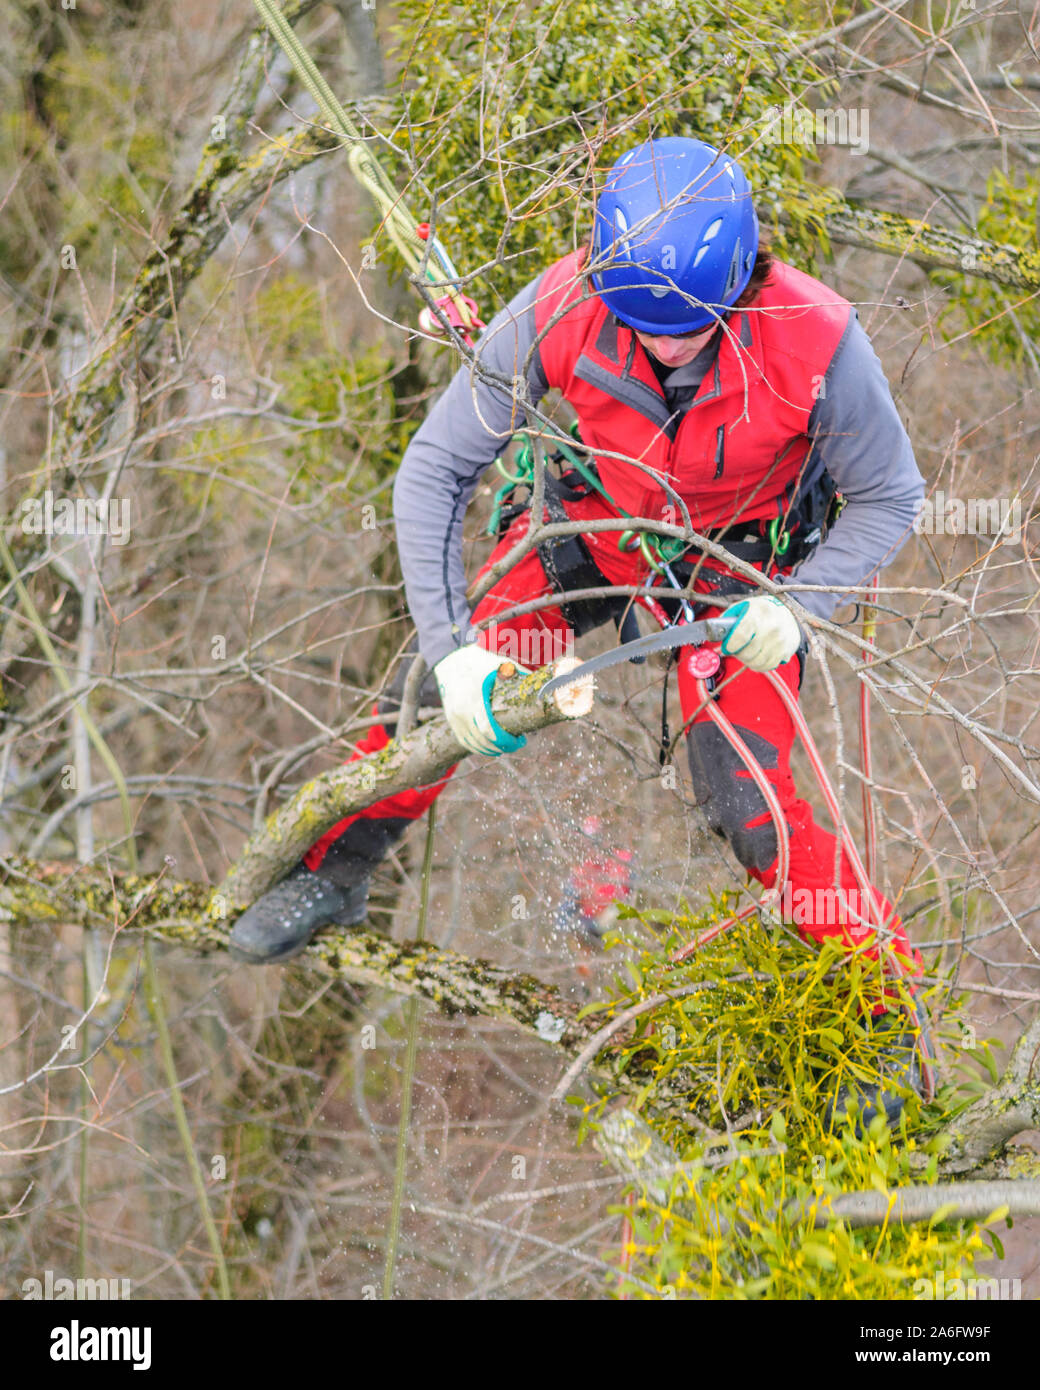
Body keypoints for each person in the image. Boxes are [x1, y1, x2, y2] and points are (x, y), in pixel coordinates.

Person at [231, 137, 931, 1125]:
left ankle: (887, 1014)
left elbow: (888, 498)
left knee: (749, 807)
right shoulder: (564, 302)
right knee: (437, 699)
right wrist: (457, 654)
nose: (660, 347)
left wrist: (795, 604)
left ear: (736, 288)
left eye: (683, 331)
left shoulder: (815, 339)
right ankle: (333, 869)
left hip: (743, 574)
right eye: (641, 326)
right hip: (600, 527)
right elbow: (433, 470)